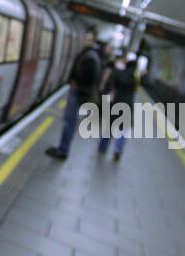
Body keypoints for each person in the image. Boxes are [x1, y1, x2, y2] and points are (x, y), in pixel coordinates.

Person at [46, 31, 101, 160]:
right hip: (78, 91)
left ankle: (63, 150)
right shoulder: (90, 54)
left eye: (88, 39)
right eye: (85, 38)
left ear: (93, 42)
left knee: (69, 122)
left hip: (78, 92)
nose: (84, 40)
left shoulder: (90, 56)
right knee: (69, 121)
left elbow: (92, 77)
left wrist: (78, 85)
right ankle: (62, 148)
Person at [98, 54, 139, 161]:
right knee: (123, 129)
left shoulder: (119, 74)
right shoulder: (134, 78)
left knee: (110, 126)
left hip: (116, 102)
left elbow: (113, 86)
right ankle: (118, 149)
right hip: (128, 105)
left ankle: (103, 147)